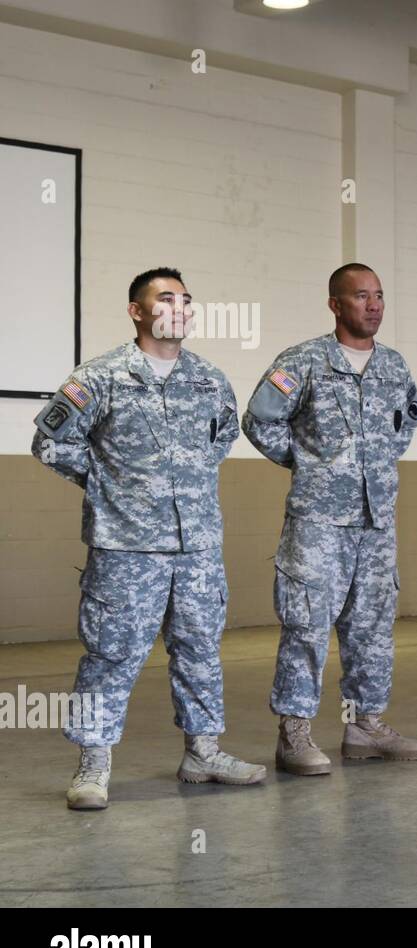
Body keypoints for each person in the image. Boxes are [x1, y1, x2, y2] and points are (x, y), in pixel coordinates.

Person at [33, 267, 265, 809]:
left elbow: (223, 436)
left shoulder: (210, 379)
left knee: (201, 650)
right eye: (165, 299)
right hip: (126, 548)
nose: (179, 307)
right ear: (137, 311)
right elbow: (49, 442)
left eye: (186, 299)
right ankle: (92, 765)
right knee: (111, 654)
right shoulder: (101, 377)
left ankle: (204, 753)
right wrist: (110, 483)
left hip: (199, 547)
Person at [243, 263, 417, 776]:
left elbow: (405, 426)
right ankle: (294, 735)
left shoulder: (394, 366)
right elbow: (259, 421)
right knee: (306, 627)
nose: (373, 305)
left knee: (371, 628)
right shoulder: (303, 361)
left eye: (379, 296)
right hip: (318, 522)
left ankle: (364, 726)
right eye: (360, 296)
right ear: (335, 304)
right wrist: (308, 464)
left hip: (377, 522)